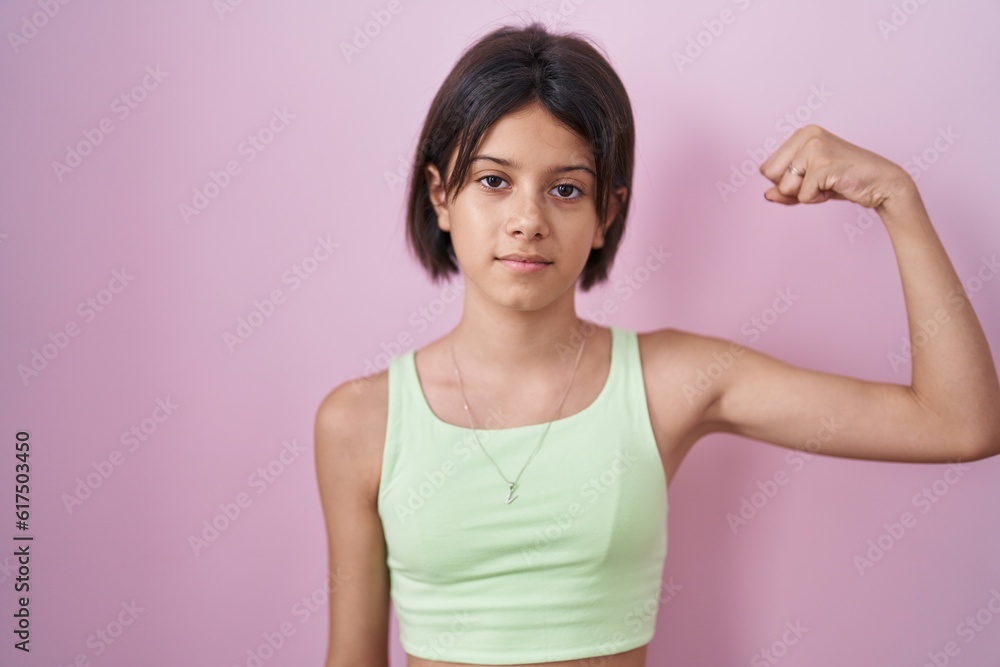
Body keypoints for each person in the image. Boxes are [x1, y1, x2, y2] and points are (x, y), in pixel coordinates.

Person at [313, 20, 1000, 667]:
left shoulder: (670, 381)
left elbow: (959, 422)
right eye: (494, 181)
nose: (527, 219)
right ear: (440, 196)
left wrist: (897, 199)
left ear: (606, 214)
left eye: (565, 189)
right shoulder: (359, 421)